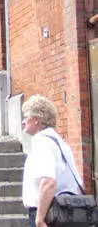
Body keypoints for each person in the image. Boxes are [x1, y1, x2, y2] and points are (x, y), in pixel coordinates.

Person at [21, 95, 83, 227]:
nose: (23, 122)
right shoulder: (61, 144)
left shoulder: (41, 142)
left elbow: (48, 182)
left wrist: (39, 219)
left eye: (26, 117)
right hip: (67, 211)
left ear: (36, 120)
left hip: (49, 214)